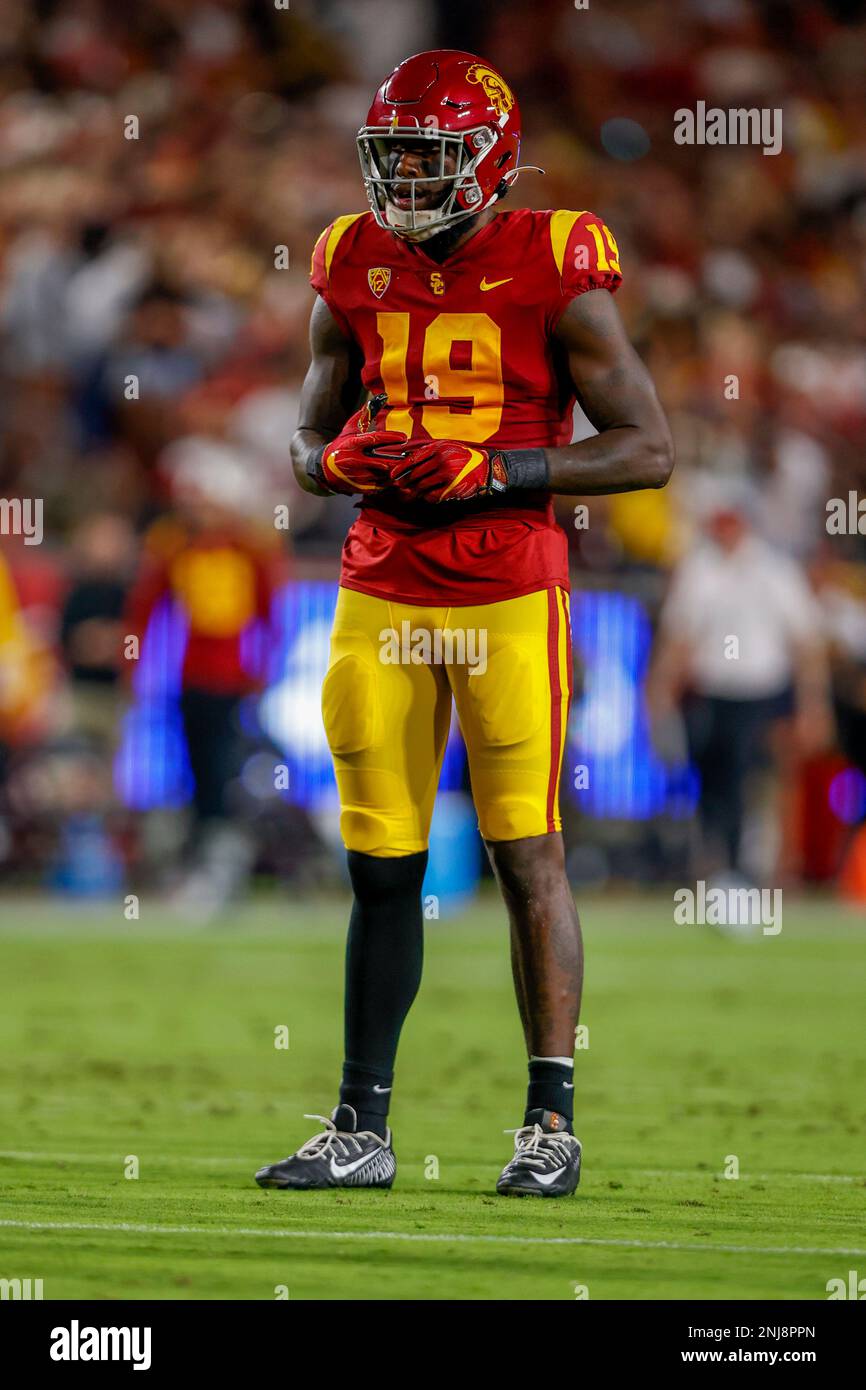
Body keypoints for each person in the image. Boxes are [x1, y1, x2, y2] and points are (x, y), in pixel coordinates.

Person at [255, 50, 673, 1198]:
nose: (407, 179)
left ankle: (549, 1124)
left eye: (430, 157)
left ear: (490, 159)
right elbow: (305, 439)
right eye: (393, 156)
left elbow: (646, 448)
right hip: (379, 583)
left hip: (506, 590)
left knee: (525, 854)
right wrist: (336, 460)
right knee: (380, 861)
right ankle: (359, 1128)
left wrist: (494, 469)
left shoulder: (553, 256)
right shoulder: (349, 257)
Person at [648, 483, 833, 881]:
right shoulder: (700, 567)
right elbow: (679, 636)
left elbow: (805, 643)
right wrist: (660, 690)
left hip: (762, 693)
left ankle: (751, 868)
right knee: (711, 780)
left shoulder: (775, 570)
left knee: (754, 782)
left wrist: (813, 705)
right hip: (711, 693)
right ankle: (720, 863)